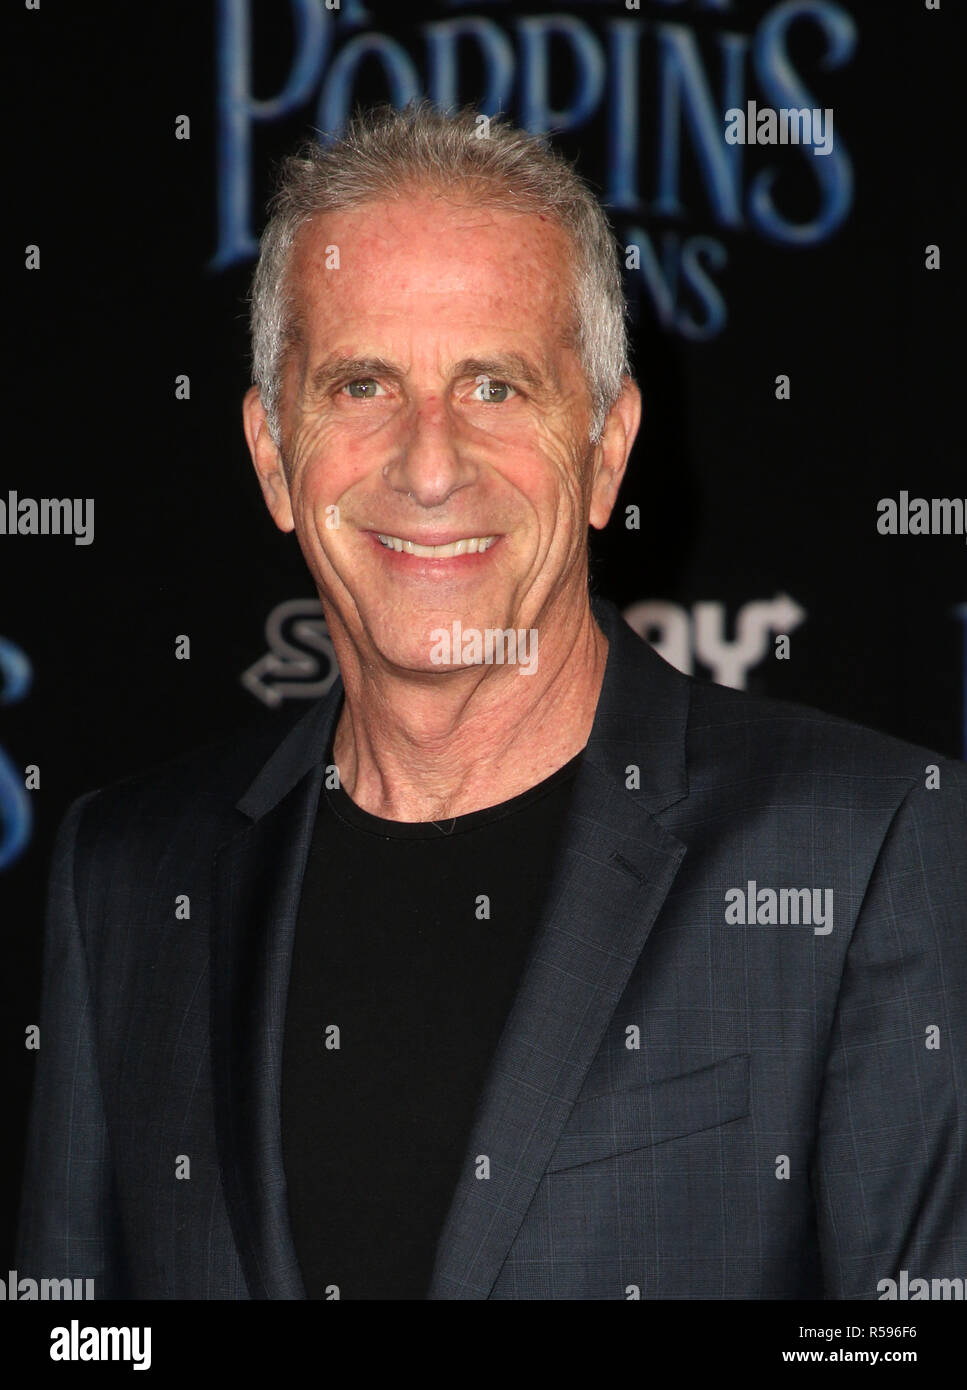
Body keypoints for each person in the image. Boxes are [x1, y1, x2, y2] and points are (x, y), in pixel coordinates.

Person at [16, 102, 967, 1301]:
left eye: (496, 388)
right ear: (271, 454)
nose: (427, 463)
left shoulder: (866, 846)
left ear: (606, 450)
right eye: (362, 383)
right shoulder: (126, 876)